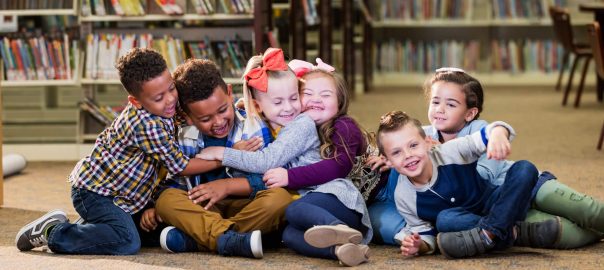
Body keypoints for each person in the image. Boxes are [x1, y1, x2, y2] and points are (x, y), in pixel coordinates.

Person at [15, 48, 212, 255]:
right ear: (136, 102)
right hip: (96, 193)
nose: (171, 99)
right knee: (127, 241)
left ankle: (90, 228)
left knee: (153, 231)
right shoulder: (147, 124)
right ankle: (53, 232)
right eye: (159, 97)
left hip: (125, 196)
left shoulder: (161, 108)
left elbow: (181, 115)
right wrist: (222, 159)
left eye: (172, 88)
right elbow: (181, 166)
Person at [421, 67, 604, 249]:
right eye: (435, 102)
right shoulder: (420, 137)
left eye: (451, 104)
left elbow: (484, 177)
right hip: (498, 210)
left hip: (526, 186)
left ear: (470, 113)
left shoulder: (480, 131)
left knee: (589, 211)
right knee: (562, 234)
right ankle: (510, 232)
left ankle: (496, 234)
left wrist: (444, 153)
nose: (440, 109)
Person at [152, 58, 293, 259]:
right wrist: (157, 208)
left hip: (245, 204)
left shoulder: (252, 127)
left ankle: (200, 238)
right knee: (166, 200)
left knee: (280, 199)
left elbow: (269, 180)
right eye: (205, 119)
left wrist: (226, 186)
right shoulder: (184, 135)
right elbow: (177, 182)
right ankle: (232, 237)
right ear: (188, 116)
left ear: (229, 93)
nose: (218, 122)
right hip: (204, 208)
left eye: (222, 110)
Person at [376, 110, 562, 258]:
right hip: (463, 223)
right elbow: (426, 234)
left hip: (494, 202)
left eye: (413, 145)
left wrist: (497, 133)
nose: (408, 155)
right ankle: (516, 233)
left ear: (427, 142)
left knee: (525, 168)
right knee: (445, 220)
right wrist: (420, 246)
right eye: (397, 153)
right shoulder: (403, 196)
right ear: (388, 161)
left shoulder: (451, 151)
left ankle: (489, 235)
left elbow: (485, 135)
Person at [260, 58, 375, 266]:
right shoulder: (301, 127)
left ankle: (339, 229)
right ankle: (343, 250)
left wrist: (289, 177)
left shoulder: (344, 125)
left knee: (294, 210)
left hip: (344, 201)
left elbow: (339, 166)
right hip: (320, 204)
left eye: (326, 95)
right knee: (289, 234)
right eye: (308, 94)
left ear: (340, 102)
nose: (316, 99)